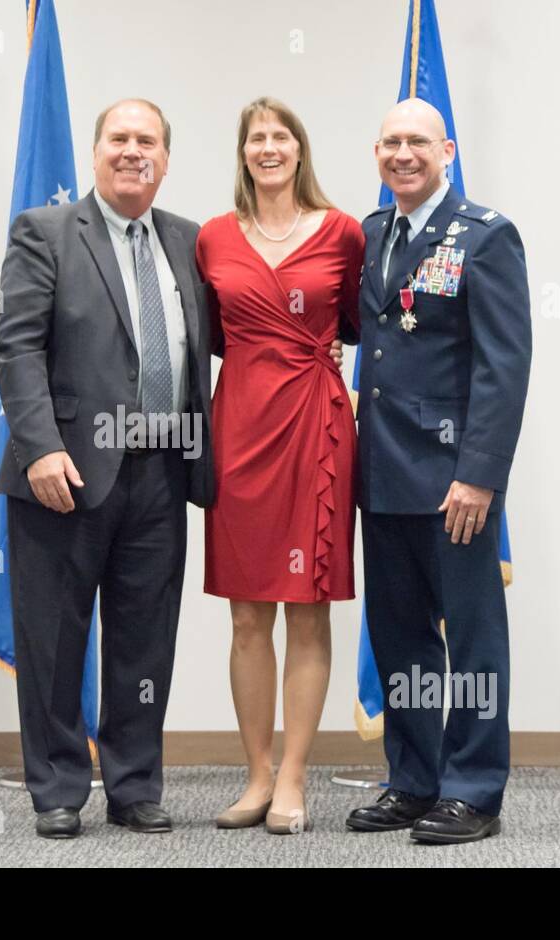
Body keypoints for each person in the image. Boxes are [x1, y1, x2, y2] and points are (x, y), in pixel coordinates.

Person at [0, 98, 215, 839]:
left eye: (146, 140)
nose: (132, 151)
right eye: (118, 138)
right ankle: (57, 788)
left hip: (161, 469)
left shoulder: (188, 241)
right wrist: (40, 446)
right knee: (55, 639)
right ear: (95, 152)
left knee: (144, 637)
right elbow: (16, 346)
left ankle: (133, 785)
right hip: (67, 472)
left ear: (165, 157)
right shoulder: (46, 232)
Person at [347, 98, 531, 843]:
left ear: (446, 149)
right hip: (382, 471)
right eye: (390, 141)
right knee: (400, 637)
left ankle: (474, 788)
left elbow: (504, 365)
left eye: (417, 141)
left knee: (474, 638)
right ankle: (414, 780)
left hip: (457, 482)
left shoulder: (487, 236)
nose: (403, 154)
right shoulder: (371, 234)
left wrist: (481, 474)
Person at [196, 97, 362, 834]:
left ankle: (294, 777)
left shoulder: (343, 232)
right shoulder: (210, 239)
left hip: (316, 429)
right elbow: (204, 334)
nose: (268, 147)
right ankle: (256, 775)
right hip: (239, 431)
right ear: (243, 153)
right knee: (245, 614)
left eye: (280, 136)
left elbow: (360, 322)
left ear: (300, 151)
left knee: (309, 609)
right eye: (255, 138)